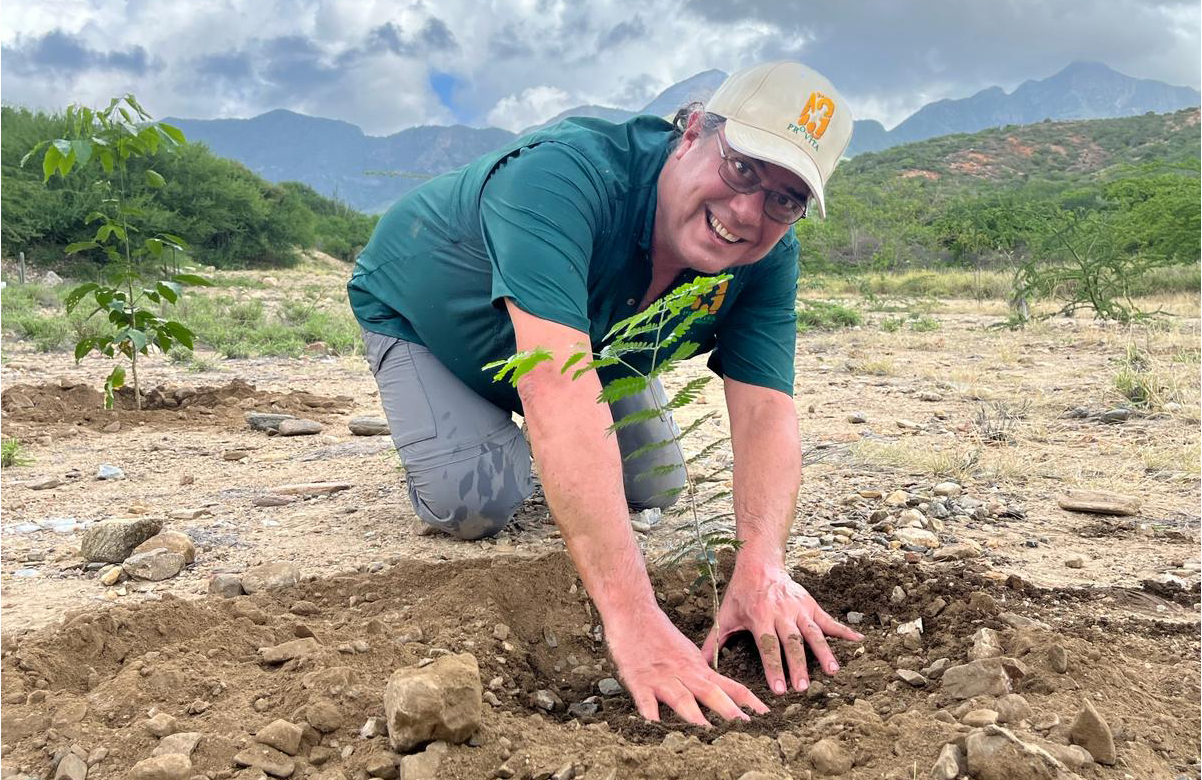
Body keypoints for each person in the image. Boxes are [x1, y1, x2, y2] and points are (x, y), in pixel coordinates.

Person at [347, 61, 864, 726]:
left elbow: (766, 408)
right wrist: (635, 620)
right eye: (742, 169)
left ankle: (559, 462)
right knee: (475, 502)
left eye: (784, 199)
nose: (747, 212)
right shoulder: (562, 175)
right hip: (427, 320)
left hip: (586, 340)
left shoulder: (765, 260)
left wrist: (761, 564)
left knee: (654, 482)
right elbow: (558, 389)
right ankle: (472, 433)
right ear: (694, 132)